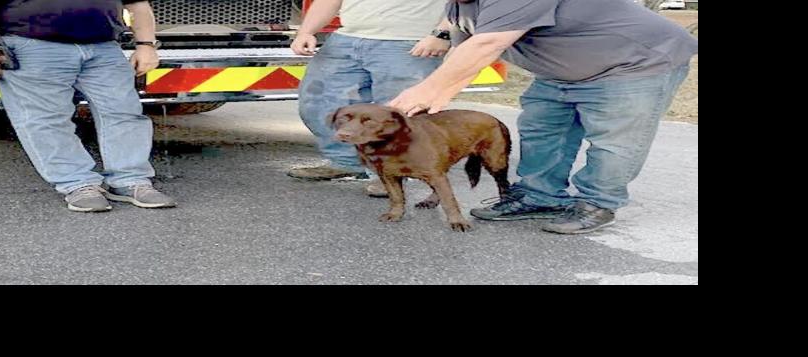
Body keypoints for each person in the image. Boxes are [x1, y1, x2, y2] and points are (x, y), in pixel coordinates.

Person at [389, 0, 697, 234]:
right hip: (559, 71)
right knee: (541, 130)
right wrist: (437, 99)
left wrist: (425, 91)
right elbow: (465, 52)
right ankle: (540, 196)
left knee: (616, 140)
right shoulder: (462, 6)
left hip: (635, 63)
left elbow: (488, 44)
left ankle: (598, 203)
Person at [0, 0, 177, 212]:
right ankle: (78, 184)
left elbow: (138, 5)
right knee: (46, 120)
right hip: (32, 47)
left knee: (124, 114)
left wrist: (146, 45)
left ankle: (131, 181)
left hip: (105, 48)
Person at [286, 0, 456, 197]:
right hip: (346, 39)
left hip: (409, 42)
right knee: (319, 104)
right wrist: (306, 32)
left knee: (400, 113)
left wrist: (443, 33)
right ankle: (347, 162)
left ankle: (392, 172)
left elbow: (464, 3)